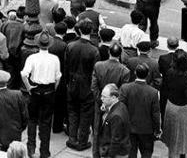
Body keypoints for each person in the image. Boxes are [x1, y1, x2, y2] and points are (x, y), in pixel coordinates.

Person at [21, 31, 61, 158]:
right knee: (46, 122)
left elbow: (24, 74)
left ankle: (31, 148)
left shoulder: (32, 58)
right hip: (49, 91)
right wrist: (53, 88)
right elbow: (58, 77)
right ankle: (44, 151)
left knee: (32, 120)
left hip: (35, 90)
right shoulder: (55, 59)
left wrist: (28, 87)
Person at [65, 18, 99, 151]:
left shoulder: (71, 46)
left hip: (72, 82)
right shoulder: (94, 50)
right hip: (86, 84)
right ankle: (82, 140)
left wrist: (68, 82)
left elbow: (66, 67)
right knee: (86, 114)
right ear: (91, 31)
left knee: (72, 112)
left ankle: (72, 138)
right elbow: (95, 72)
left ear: (79, 30)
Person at [0, 69, 27, 150]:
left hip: (0, 140)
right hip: (16, 135)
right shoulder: (18, 94)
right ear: (7, 82)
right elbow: (25, 116)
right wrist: (19, 129)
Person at [98, 83, 131, 158]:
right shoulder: (121, 105)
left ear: (113, 97)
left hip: (116, 154)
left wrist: (110, 155)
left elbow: (115, 140)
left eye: (104, 97)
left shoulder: (116, 116)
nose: (101, 98)